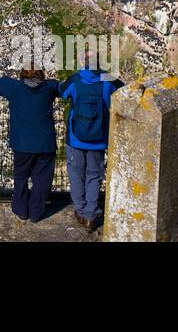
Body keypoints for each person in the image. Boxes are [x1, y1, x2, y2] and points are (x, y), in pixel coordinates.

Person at [61, 62, 123, 231]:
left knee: (76, 173)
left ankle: (80, 210)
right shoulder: (108, 80)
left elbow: (62, 92)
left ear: (83, 63)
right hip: (99, 138)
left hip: (75, 138)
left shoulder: (75, 79)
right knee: (94, 176)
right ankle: (90, 216)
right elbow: (124, 90)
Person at [0, 67, 62, 223]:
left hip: (22, 143)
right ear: (42, 76)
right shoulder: (49, 87)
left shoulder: (14, 88)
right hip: (45, 143)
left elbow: (1, 81)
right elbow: (60, 86)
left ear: (22, 77)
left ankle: (21, 210)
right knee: (42, 180)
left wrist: (17, 80)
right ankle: (35, 213)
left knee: (21, 177)